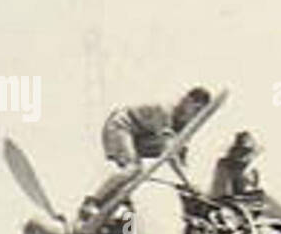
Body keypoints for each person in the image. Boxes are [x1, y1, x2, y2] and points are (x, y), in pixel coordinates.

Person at [85, 87, 211, 220]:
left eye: (199, 113)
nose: (195, 115)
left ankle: (114, 196)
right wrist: (188, 182)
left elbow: (180, 155)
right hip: (121, 126)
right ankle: (92, 201)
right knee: (133, 168)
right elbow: (170, 152)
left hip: (139, 135)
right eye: (196, 109)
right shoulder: (165, 111)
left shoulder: (183, 124)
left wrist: (190, 188)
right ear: (187, 101)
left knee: (141, 170)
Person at [211, 130, 263, 199]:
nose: (245, 156)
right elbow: (222, 190)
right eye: (241, 152)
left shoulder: (248, 169)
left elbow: (251, 186)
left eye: (246, 152)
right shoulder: (225, 165)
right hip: (225, 199)